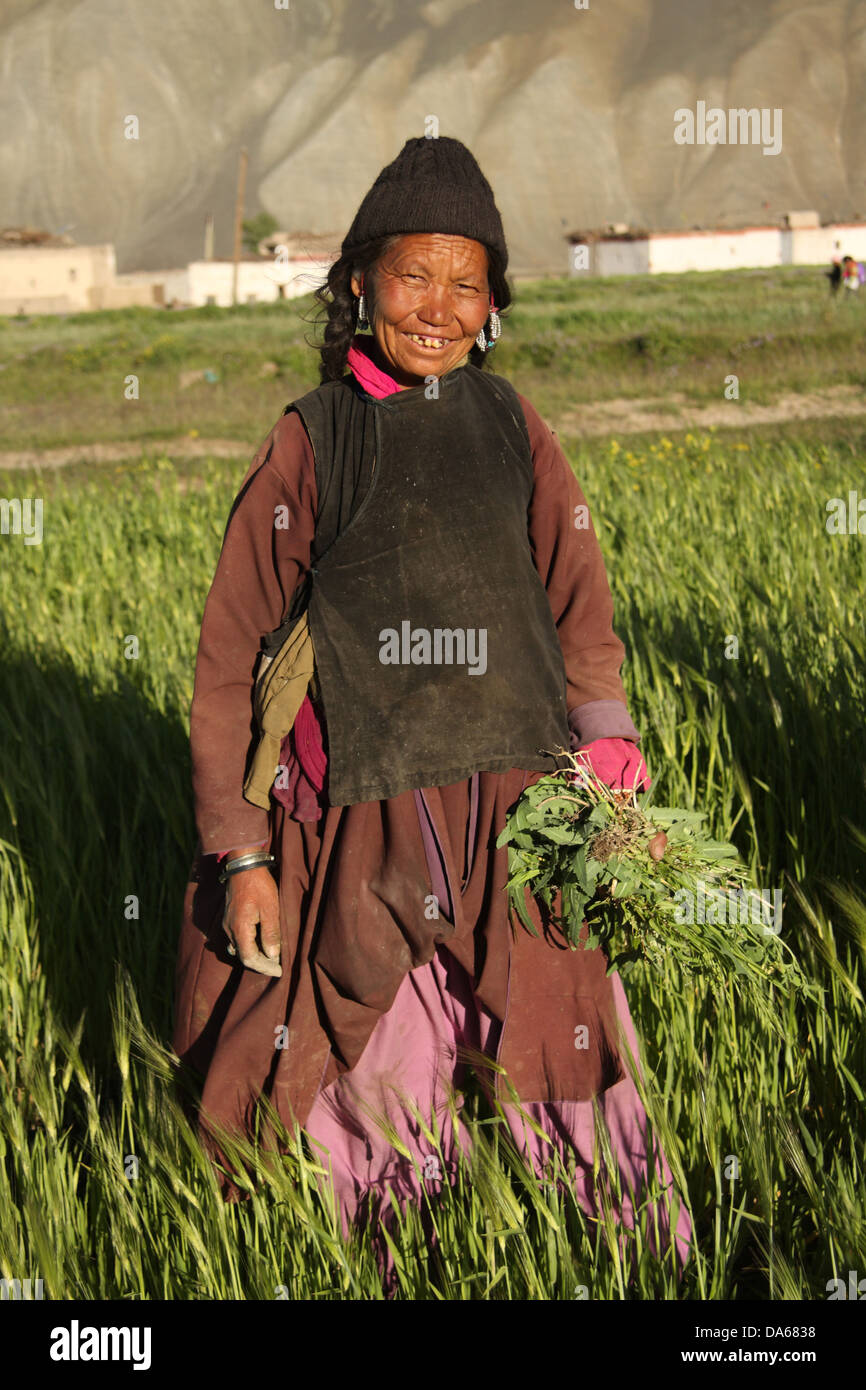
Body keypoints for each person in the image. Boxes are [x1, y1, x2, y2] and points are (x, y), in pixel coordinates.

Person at [172, 136, 693, 1284]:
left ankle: (641, 1280)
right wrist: (242, 850)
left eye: (467, 282)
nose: (438, 306)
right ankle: (404, 1274)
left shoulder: (513, 427)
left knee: (566, 1056)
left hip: (520, 806)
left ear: (492, 306)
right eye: (414, 274)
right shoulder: (311, 440)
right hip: (365, 812)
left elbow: (577, 601)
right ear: (359, 282)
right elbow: (227, 659)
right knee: (374, 1072)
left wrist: (604, 750)